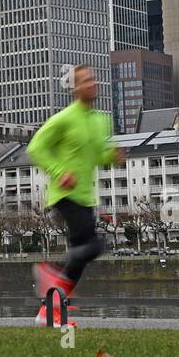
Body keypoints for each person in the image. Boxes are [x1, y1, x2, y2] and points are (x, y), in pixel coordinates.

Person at [28, 63, 124, 325]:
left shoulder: (101, 121)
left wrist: (111, 156)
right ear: (75, 88)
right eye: (86, 80)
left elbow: (96, 153)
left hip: (85, 196)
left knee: (82, 256)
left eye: (94, 78)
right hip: (65, 193)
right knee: (91, 247)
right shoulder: (65, 118)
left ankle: (48, 311)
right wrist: (60, 172)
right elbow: (36, 147)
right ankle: (50, 275)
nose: (93, 83)